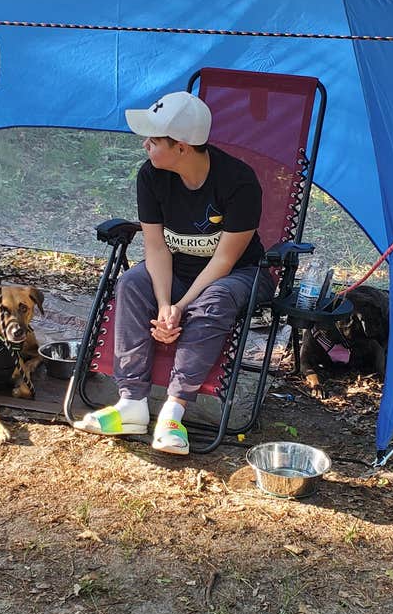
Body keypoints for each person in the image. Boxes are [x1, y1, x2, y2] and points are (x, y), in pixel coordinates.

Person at [74, 90, 265, 454]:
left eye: (154, 140)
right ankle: (131, 403)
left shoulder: (239, 183)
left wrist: (181, 306)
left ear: (181, 146)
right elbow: (156, 248)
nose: (145, 145)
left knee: (216, 299)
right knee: (131, 282)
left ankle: (173, 414)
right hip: (176, 268)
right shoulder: (151, 176)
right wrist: (164, 303)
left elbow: (223, 262)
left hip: (235, 273)